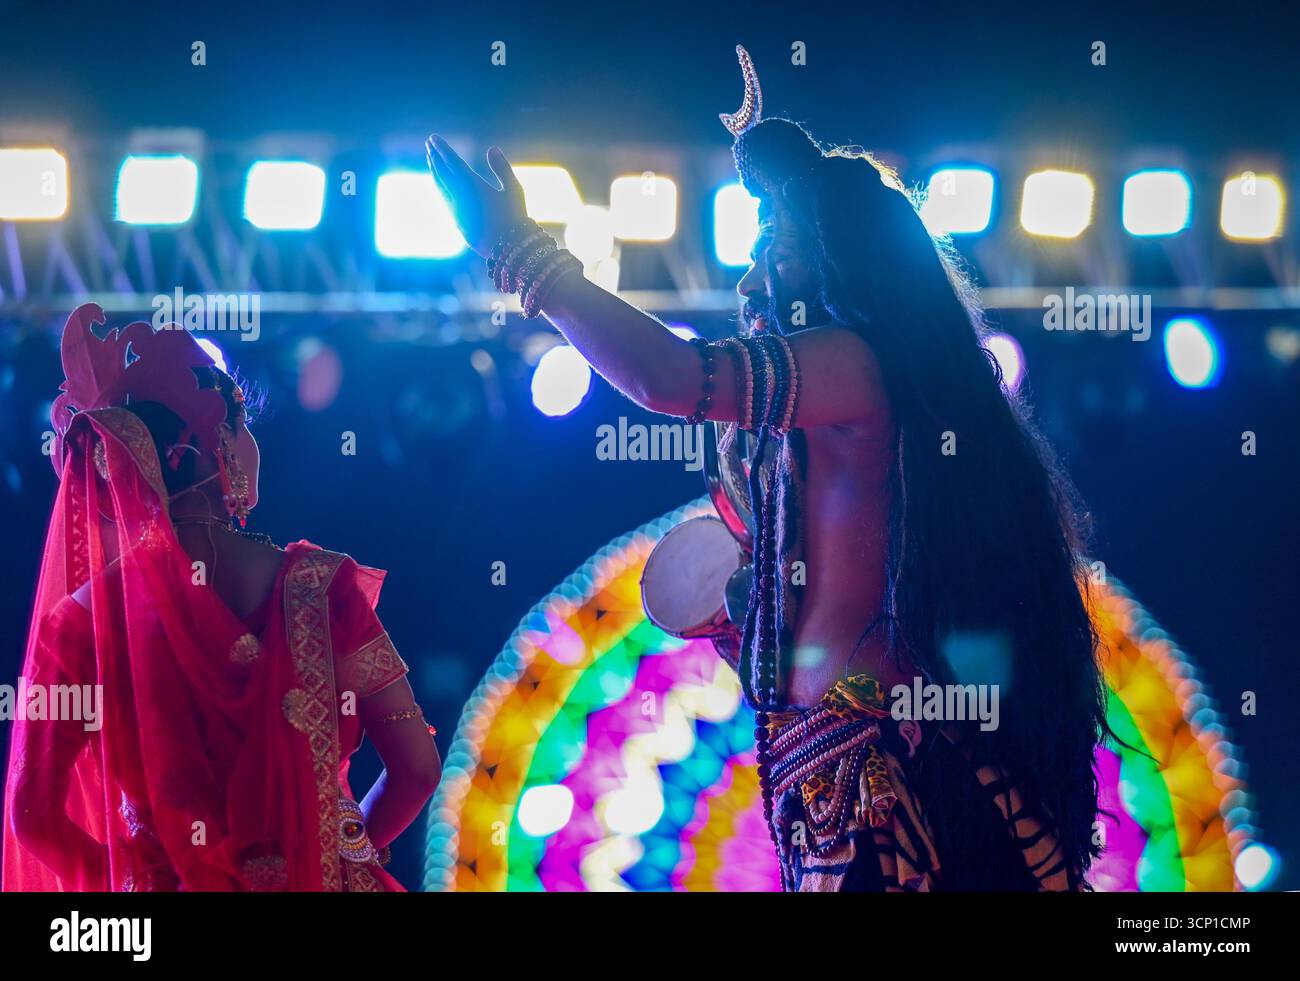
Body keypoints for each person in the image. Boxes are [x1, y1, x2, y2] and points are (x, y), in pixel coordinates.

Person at [425, 45, 1108, 891]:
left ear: (837, 263)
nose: (748, 277)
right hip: (825, 770)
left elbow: (666, 377)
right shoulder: (800, 430)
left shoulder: (858, 364)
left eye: (772, 248)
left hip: (881, 779)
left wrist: (522, 255)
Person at [2, 304, 441, 891]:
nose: (254, 442)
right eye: (242, 424)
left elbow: (32, 816)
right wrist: (334, 853)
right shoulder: (320, 588)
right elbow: (415, 770)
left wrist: (137, 887)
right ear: (205, 449)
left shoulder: (81, 620)